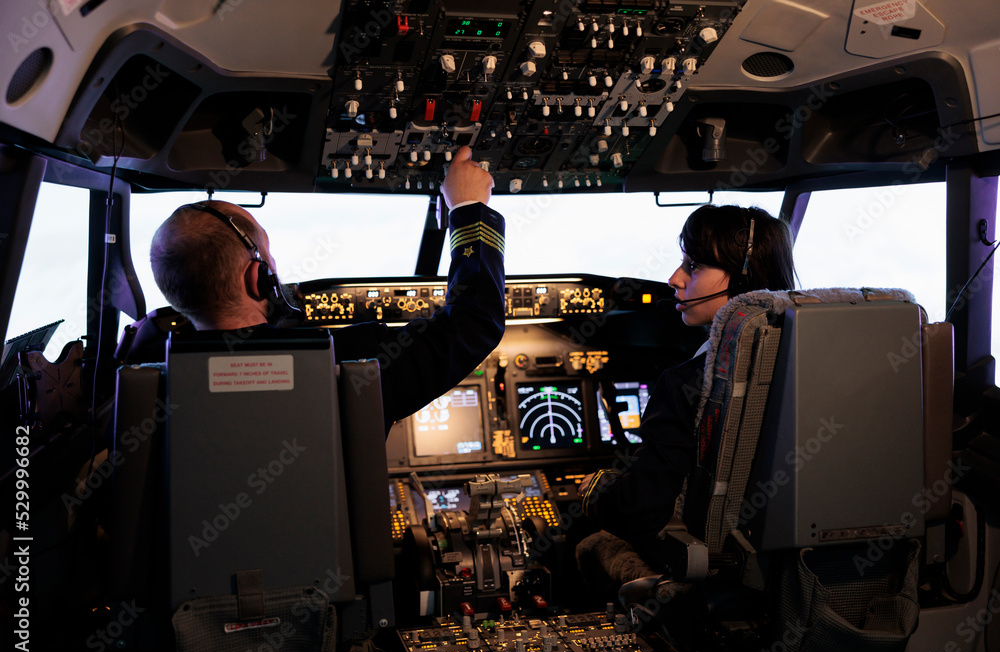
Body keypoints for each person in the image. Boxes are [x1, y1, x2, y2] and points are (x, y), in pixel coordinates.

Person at [149, 146, 504, 434]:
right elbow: (475, 321)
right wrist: (469, 207)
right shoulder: (353, 361)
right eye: (269, 257)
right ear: (258, 278)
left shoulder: (151, 392)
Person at [577, 204, 796, 556]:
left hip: (712, 564)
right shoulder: (802, 363)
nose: (675, 279)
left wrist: (600, 490)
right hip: (789, 560)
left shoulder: (689, 382)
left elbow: (641, 511)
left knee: (590, 547)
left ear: (743, 277)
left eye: (693, 266)